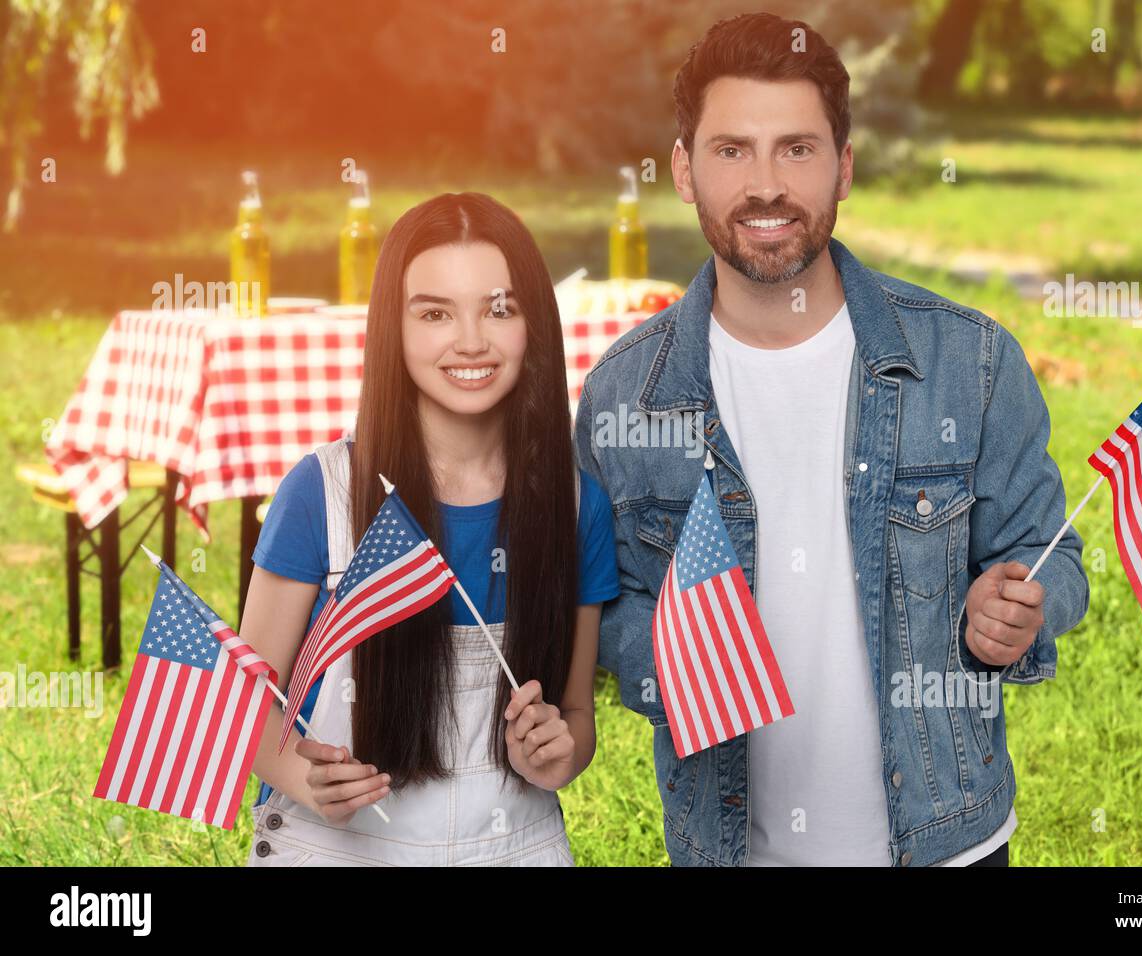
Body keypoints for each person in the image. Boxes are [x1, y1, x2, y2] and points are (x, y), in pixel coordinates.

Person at [573, 12, 1090, 866]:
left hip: (947, 842)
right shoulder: (625, 391)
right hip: (731, 847)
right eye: (731, 150)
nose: (766, 184)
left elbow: (1051, 557)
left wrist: (1019, 612)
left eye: (798, 149)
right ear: (681, 169)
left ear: (844, 169)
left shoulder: (972, 360)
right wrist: (672, 660)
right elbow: (600, 602)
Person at [241, 192, 619, 866]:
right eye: (435, 313)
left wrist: (560, 755)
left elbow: (575, 715)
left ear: (534, 320)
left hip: (513, 845)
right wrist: (305, 778)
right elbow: (241, 704)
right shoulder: (321, 493)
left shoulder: (574, 506)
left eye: (499, 309)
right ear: (394, 328)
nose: (470, 340)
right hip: (337, 848)